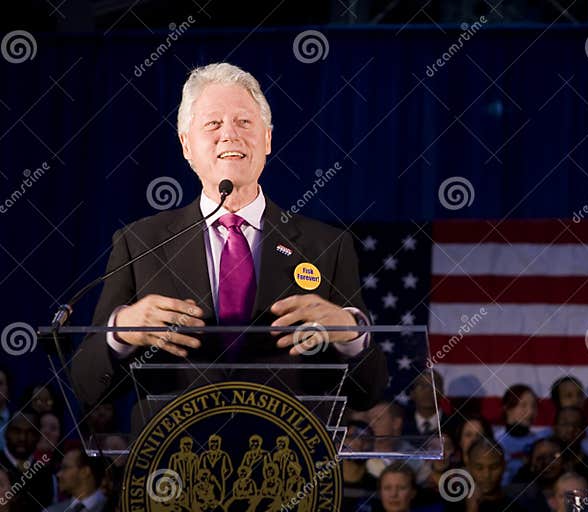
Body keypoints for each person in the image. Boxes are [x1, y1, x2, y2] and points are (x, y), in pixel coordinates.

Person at [70, 62, 387, 413]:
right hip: (176, 446)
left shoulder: (327, 246)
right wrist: (120, 332)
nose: (230, 134)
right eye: (213, 124)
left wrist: (351, 334)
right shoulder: (139, 243)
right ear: (186, 145)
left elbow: (369, 392)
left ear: (267, 140)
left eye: (244, 122)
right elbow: (87, 386)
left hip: (287, 444)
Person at [445, 438, 525, 512]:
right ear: (469, 467)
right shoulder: (454, 504)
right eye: (479, 468)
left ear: (504, 466)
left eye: (494, 467)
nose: (486, 475)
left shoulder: (516, 507)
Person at [0, 411, 55, 510]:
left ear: (38, 436)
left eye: (30, 432)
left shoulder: (46, 473)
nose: (23, 438)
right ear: (6, 432)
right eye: (16, 431)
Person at [496, 384, 542, 487]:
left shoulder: (539, 442)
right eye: (523, 405)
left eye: (533, 406)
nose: (530, 412)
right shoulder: (495, 441)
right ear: (507, 408)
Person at [46, 448, 108, 512]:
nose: (58, 474)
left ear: (85, 471)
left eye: (65, 468)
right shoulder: (51, 510)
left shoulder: (111, 507)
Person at [402, 371, 444, 437]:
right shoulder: (401, 423)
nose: (428, 391)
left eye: (434, 386)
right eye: (422, 386)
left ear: (442, 392)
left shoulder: (455, 423)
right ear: (412, 393)